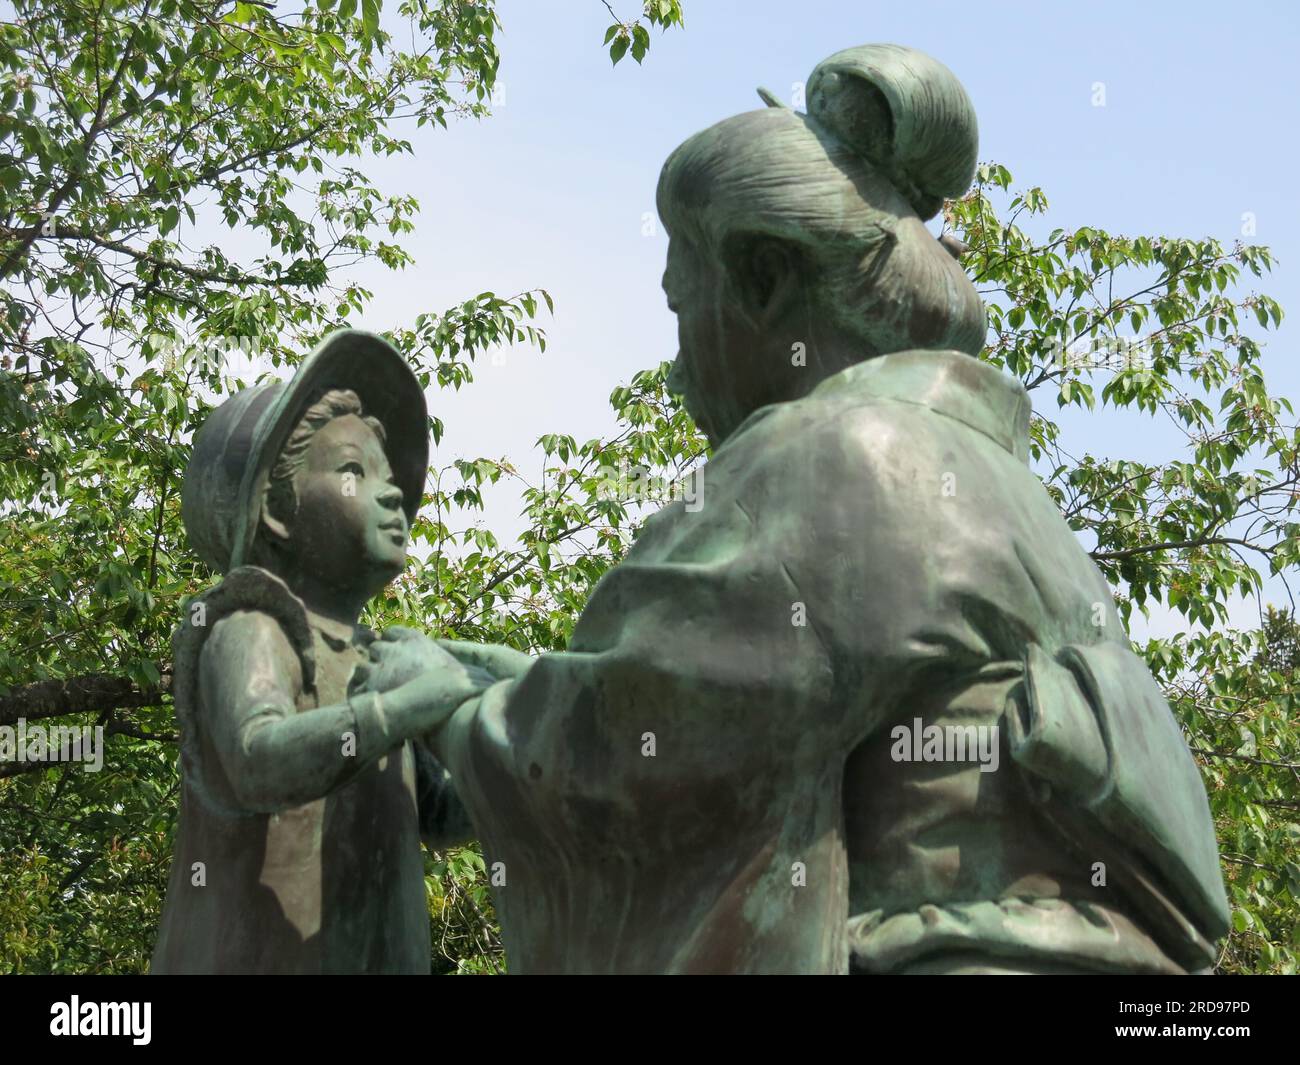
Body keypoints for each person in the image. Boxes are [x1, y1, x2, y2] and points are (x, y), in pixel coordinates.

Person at [378, 44, 1230, 974]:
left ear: (762, 277)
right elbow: (722, 685)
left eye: (680, 304)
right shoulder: (1000, 483)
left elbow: (640, 751)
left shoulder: (836, 455)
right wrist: (518, 683)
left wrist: (452, 716)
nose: (674, 368)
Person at [152, 330, 489, 974]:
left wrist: (507, 731)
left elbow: (439, 815)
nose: (393, 494)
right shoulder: (252, 625)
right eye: (354, 472)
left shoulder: (378, 660)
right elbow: (258, 761)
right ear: (279, 509)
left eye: (389, 478)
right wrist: (404, 708)